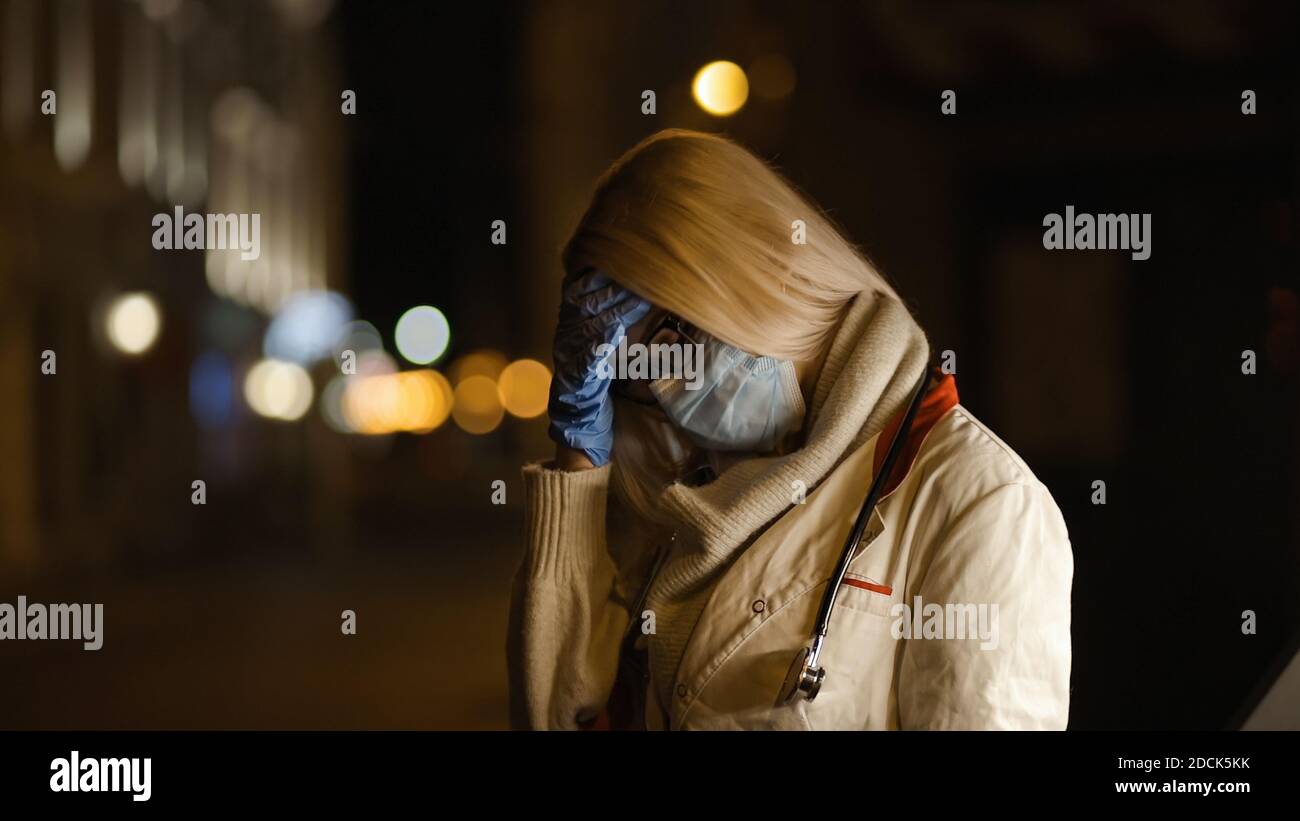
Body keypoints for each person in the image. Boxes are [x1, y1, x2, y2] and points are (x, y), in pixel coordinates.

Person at [507, 128, 1073, 730]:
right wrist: (578, 454)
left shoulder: (981, 500)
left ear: (759, 272)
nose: (663, 386)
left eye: (669, 340)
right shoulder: (683, 493)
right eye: (629, 371)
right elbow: (564, 714)